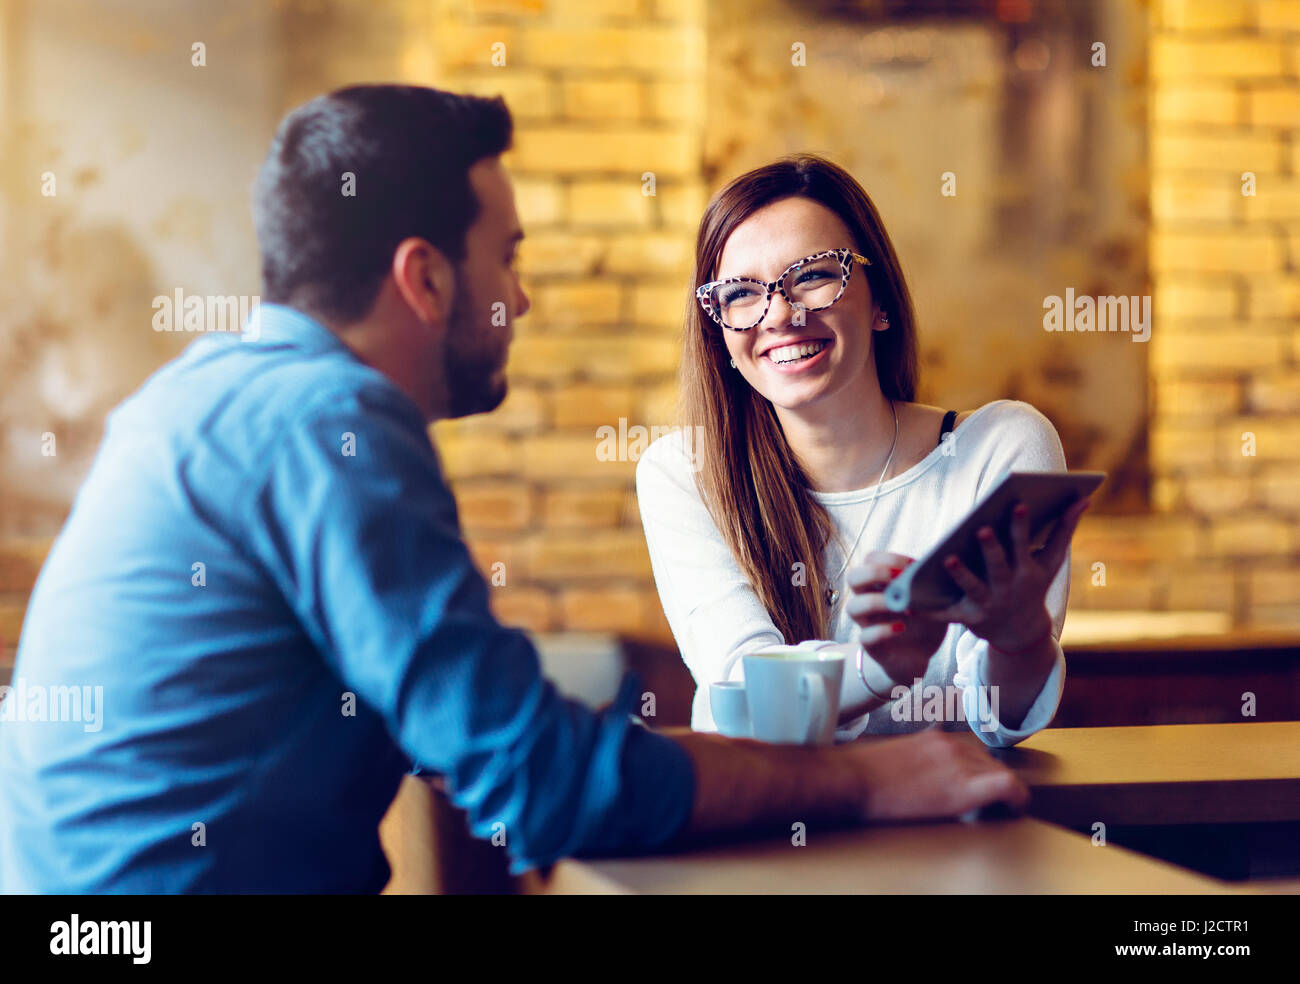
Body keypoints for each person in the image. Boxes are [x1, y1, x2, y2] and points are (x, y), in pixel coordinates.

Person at [0, 88, 1028, 893]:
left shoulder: (222, 398)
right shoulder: (329, 428)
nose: (522, 296)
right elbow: (535, 779)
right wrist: (863, 780)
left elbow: (477, 728)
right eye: (508, 257)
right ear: (426, 279)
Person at [637, 154, 1091, 744]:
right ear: (720, 331)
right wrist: (876, 671)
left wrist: (1020, 638)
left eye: (813, 275)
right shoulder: (685, 473)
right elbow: (745, 693)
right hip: (761, 829)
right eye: (741, 293)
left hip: (945, 826)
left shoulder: (998, 449)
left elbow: (999, 720)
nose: (779, 313)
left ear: (881, 304)